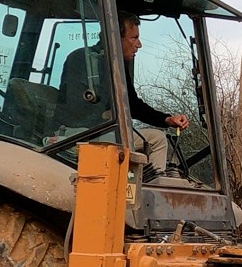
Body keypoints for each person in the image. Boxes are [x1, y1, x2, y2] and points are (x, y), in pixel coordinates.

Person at [57, 12, 189, 177]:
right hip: (80, 133)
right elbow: (74, 109)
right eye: (134, 38)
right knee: (115, 141)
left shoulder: (117, 67)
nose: (139, 44)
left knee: (157, 139)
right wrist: (107, 115)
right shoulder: (81, 60)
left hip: (110, 132)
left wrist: (167, 119)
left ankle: (150, 186)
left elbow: (132, 105)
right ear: (115, 38)